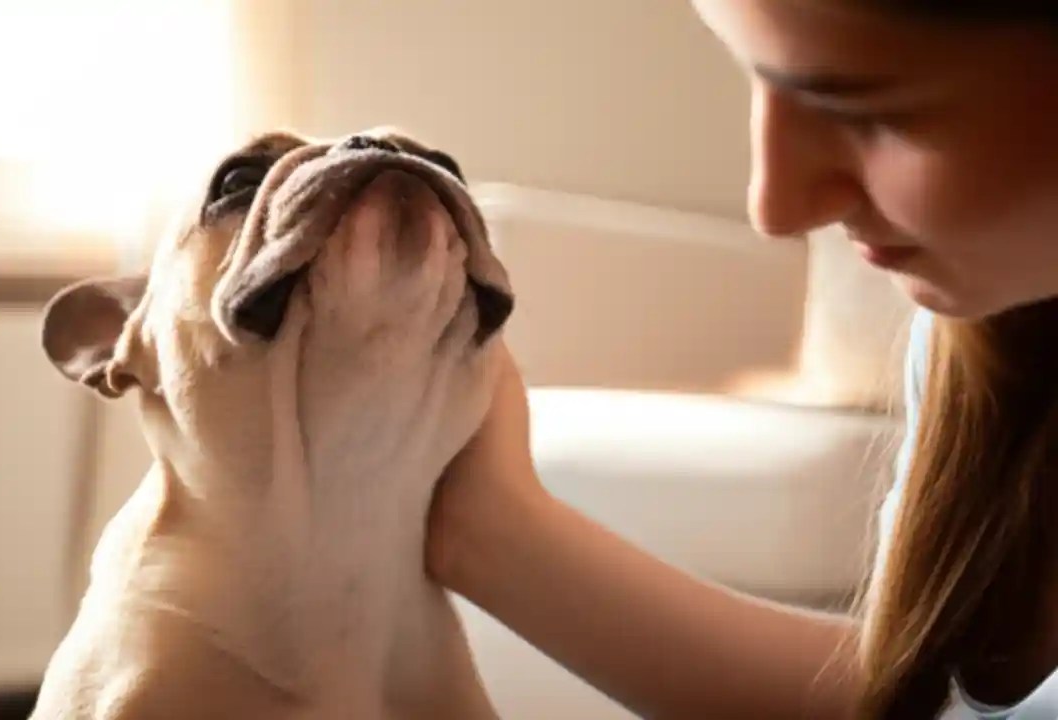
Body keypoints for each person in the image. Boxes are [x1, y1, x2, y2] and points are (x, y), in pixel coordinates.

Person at [425, 2, 1058, 718]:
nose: (776, 209)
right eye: (757, 77)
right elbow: (916, 698)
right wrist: (492, 527)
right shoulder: (980, 332)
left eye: (869, 111)